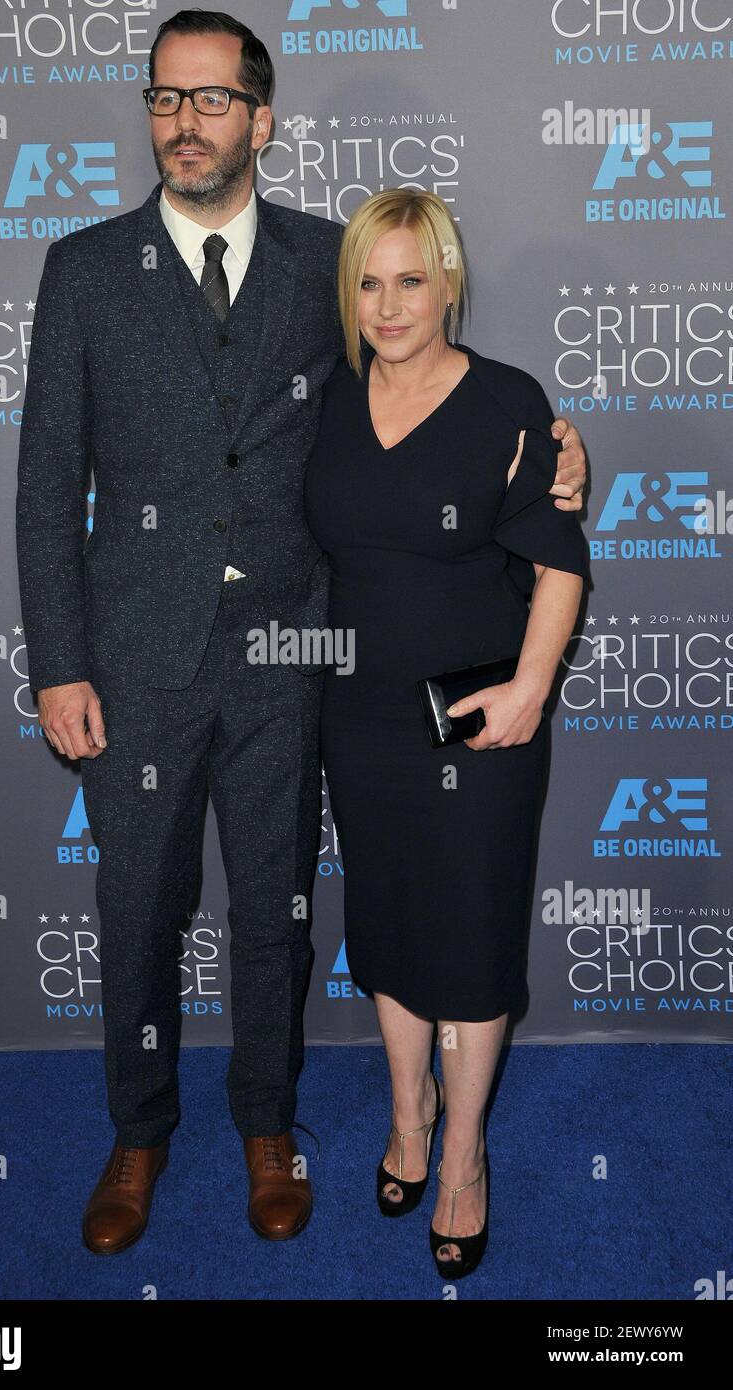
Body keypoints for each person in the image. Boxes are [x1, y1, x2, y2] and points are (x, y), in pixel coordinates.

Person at [15, 11, 588, 1256]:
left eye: (212, 101)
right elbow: (47, 487)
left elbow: (438, 384)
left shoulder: (333, 267)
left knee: (274, 911)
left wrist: (553, 462)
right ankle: (139, 1132)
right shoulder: (82, 270)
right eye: (165, 98)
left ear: (260, 122)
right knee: (137, 910)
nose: (185, 122)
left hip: (295, 663)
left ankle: (269, 1128)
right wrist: (58, 660)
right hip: (136, 659)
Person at [303, 188, 590, 1279]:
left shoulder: (507, 401)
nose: (388, 304)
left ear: (449, 283)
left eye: (410, 279)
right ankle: (407, 1116)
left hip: (478, 718)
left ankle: (461, 1156)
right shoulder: (326, 398)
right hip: (358, 713)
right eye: (368, 282)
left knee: (466, 941)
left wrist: (527, 689)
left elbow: (558, 558)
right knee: (383, 924)